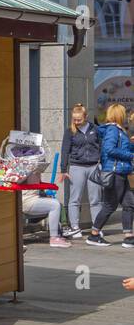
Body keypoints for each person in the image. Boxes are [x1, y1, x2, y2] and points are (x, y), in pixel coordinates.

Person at [92, 103, 134, 248]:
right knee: (110, 205)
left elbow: (122, 147)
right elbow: (110, 149)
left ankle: (129, 237)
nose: (126, 116)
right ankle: (94, 234)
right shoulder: (113, 130)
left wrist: (131, 146)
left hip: (120, 171)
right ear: (119, 115)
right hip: (114, 172)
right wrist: (130, 155)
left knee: (129, 204)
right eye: (124, 113)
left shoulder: (120, 131)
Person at [60, 103, 100, 241]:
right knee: (74, 199)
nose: (76, 122)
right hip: (77, 167)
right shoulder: (70, 131)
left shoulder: (95, 129)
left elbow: (102, 146)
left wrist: (103, 164)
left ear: (86, 117)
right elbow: (65, 150)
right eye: (74, 119)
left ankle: (97, 228)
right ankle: (75, 228)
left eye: (79, 119)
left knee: (95, 199)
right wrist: (63, 169)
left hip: (94, 166)